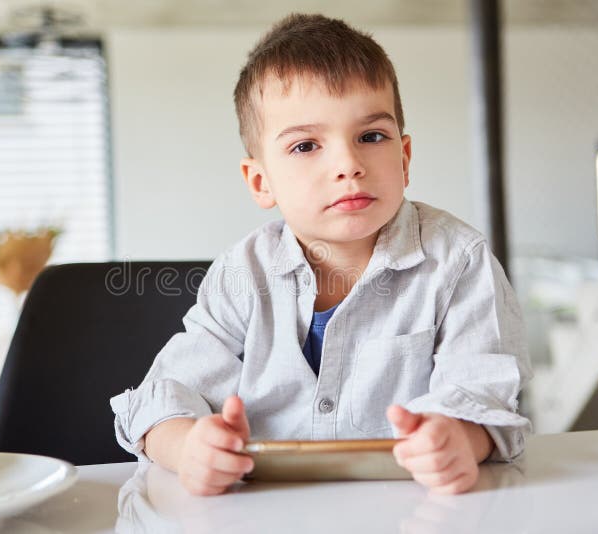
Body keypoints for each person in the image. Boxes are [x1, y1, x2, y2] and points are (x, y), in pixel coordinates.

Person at [110, 13, 532, 496]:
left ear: (405, 157)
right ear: (260, 181)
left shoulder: (459, 261)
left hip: (407, 508)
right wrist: (187, 448)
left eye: (371, 137)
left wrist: (459, 438)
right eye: (306, 145)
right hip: (265, 512)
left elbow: (485, 397)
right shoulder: (242, 273)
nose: (348, 165)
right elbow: (162, 399)